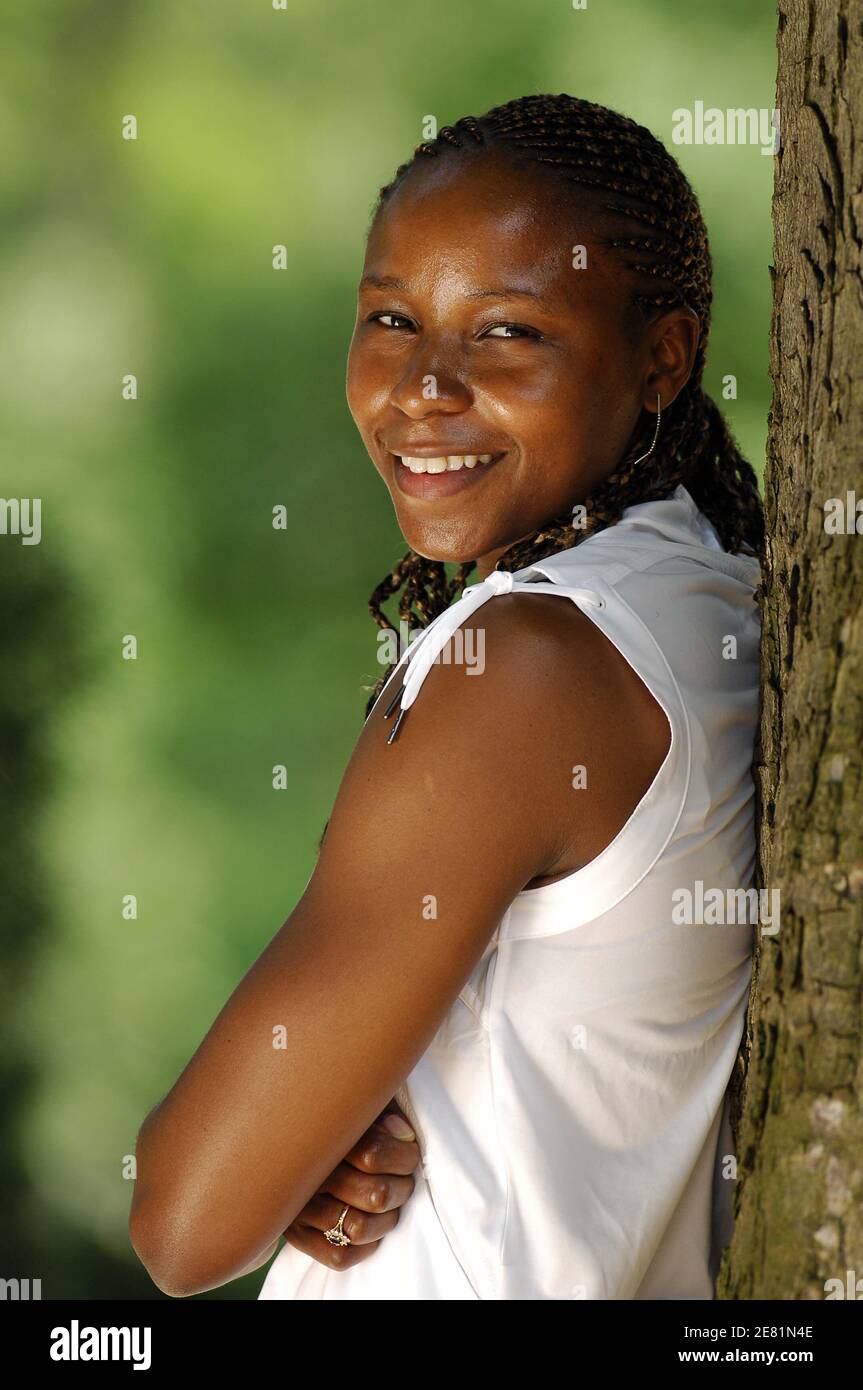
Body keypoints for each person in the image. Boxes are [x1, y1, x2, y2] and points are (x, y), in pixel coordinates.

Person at [129, 93, 764, 1301]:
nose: (424, 385)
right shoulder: (710, 598)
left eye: (505, 332)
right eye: (391, 318)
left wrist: (276, 1142)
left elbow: (182, 1221)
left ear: (662, 357)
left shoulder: (527, 663)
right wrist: (298, 1132)